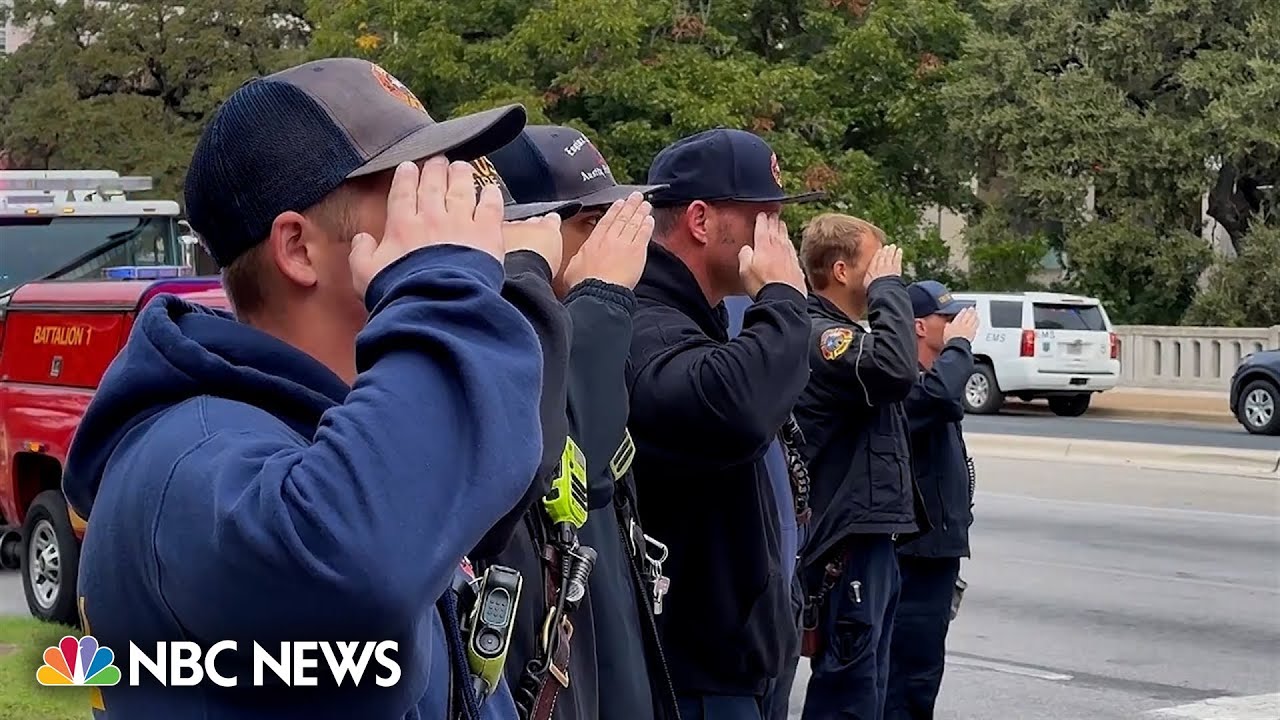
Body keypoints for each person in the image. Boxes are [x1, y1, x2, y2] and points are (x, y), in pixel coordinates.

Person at [62, 57, 563, 720]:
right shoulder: (188, 462)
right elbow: (358, 574)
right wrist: (442, 284)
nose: (458, 208)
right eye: (413, 188)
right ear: (298, 248)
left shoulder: (341, 430)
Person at [473, 126, 674, 720]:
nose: (617, 246)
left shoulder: (594, 330)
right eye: (592, 225)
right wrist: (600, 299)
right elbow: (569, 461)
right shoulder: (506, 361)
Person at [626, 128, 820, 720]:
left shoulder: (701, 317)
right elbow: (736, 408)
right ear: (702, 220)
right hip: (696, 678)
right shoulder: (644, 321)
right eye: (763, 217)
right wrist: (784, 297)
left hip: (744, 665)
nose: (777, 236)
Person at [793, 213, 925, 720]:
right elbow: (896, 368)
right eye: (878, 261)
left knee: (871, 684)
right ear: (844, 270)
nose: (889, 270)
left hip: (870, 535)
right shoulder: (823, 335)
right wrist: (890, 290)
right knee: (849, 692)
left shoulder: (850, 334)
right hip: (843, 542)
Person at [885, 282, 979, 720]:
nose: (958, 324)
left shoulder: (934, 379)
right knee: (905, 682)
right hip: (912, 558)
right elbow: (940, 396)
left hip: (936, 554)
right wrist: (961, 345)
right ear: (919, 326)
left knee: (922, 678)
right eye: (948, 319)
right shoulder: (903, 382)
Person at [724, 295, 805, 720]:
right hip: (734, 623)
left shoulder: (745, 303)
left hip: (778, 579)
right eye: (760, 225)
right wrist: (782, 298)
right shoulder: (731, 311)